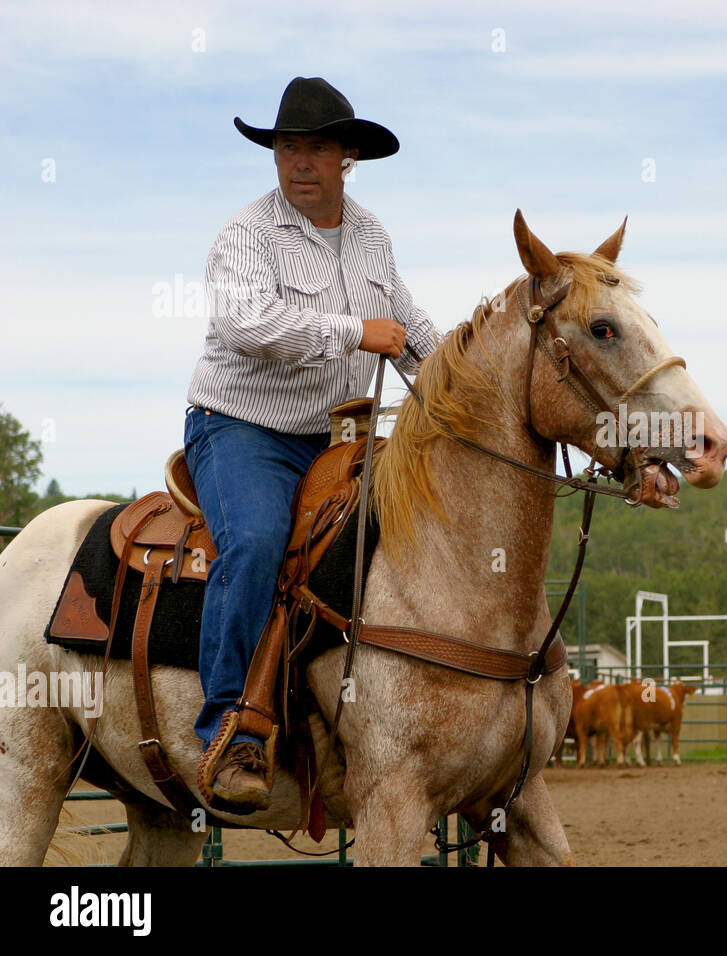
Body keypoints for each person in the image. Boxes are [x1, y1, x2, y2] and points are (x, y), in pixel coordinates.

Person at [185, 77, 440, 812]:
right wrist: (354, 332)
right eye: (288, 148)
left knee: (416, 535)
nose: (300, 162)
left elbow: (411, 328)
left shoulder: (371, 238)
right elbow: (246, 327)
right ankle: (229, 727)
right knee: (259, 541)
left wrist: (464, 387)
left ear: (347, 156)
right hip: (240, 427)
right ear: (274, 157)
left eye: (317, 147)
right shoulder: (246, 235)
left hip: (335, 437)